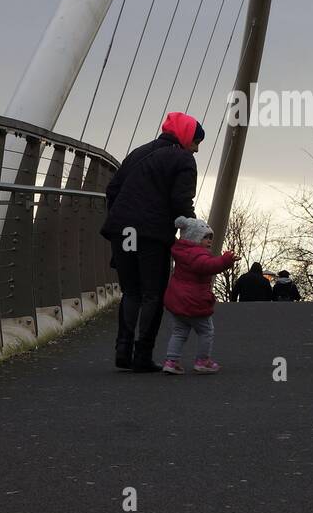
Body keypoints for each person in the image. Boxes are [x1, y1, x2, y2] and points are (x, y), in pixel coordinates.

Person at [101, 111, 202, 372]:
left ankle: (122, 350)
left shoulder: (138, 152)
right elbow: (181, 203)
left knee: (131, 291)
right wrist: (194, 234)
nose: (197, 149)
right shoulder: (183, 159)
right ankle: (142, 355)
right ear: (186, 137)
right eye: (195, 142)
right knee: (152, 294)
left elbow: (112, 190)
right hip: (152, 236)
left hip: (123, 232)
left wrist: (121, 219)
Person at [162, 216, 236, 375]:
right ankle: (202, 361)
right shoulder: (197, 254)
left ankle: (171, 361)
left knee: (179, 332)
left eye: (210, 237)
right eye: (205, 237)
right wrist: (226, 261)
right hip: (194, 301)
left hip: (176, 300)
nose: (209, 240)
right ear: (194, 238)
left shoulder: (181, 251)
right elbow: (207, 266)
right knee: (206, 331)